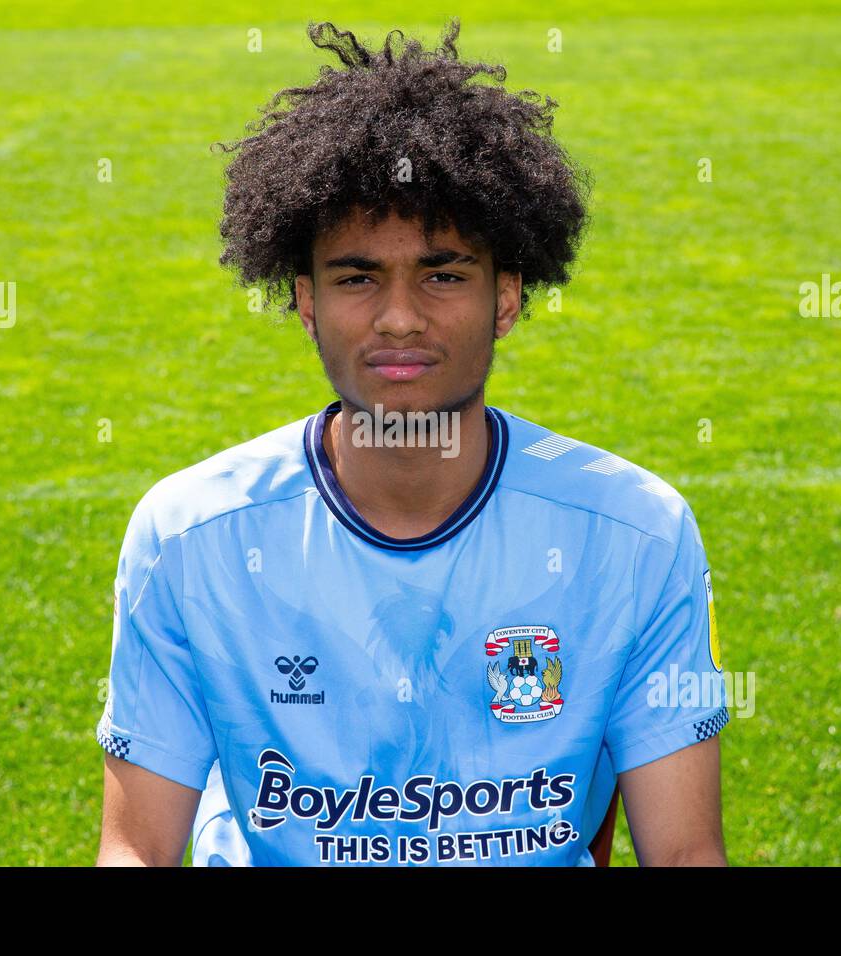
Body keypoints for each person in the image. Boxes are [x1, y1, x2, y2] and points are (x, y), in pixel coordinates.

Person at [95, 18, 728, 867]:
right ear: (306, 300)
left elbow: (685, 854)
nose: (399, 318)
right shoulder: (189, 535)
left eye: (443, 274)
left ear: (507, 298)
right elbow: (134, 851)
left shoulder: (636, 534)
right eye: (358, 277)